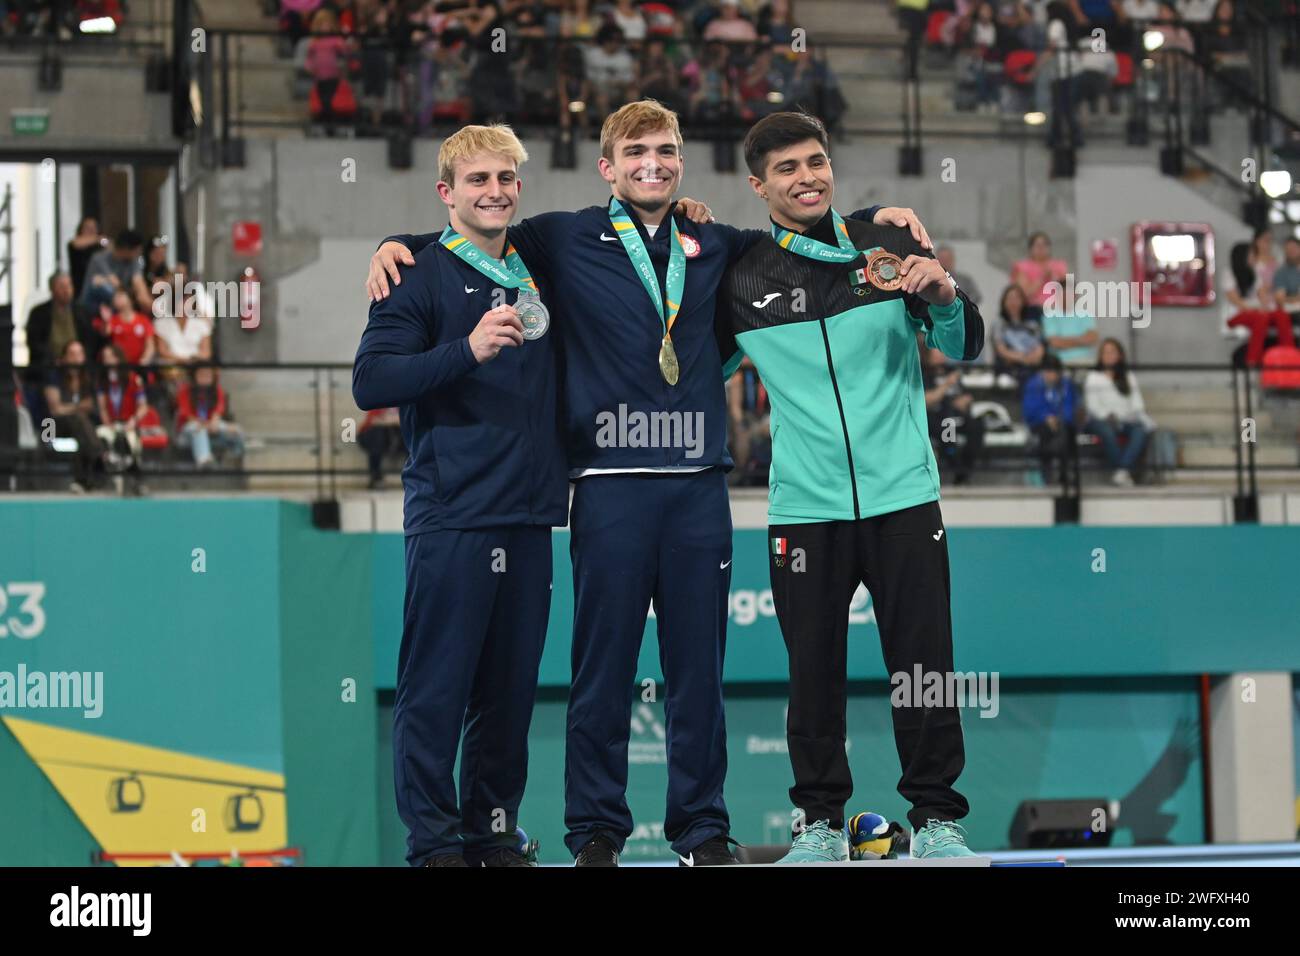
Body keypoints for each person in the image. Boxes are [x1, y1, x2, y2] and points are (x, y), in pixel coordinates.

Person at [366, 100, 933, 867]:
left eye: (665, 150)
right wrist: (395, 243)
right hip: (605, 485)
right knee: (600, 676)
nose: (653, 163)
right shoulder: (558, 238)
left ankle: (700, 831)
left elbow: (801, 238)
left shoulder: (715, 243)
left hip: (697, 486)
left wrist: (875, 221)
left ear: (681, 162)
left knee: (696, 675)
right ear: (607, 167)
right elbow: (469, 238)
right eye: (636, 152)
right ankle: (594, 833)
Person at [715, 111, 983, 862]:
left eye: (816, 161)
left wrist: (944, 296)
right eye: (788, 169)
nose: (806, 178)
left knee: (924, 667)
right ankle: (821, 826)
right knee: (813, 672)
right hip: (805, 506)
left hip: (903, 496)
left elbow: (964, 346)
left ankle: (936, 820)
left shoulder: (889, 244)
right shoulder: (742, 278)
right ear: (758, 185)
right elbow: (693, 372)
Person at [1084, 337, 1152, 486]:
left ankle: (1121, 471)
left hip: (1126, 419)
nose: (1108, 355)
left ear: (1120, 355)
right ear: (1100, 356)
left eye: (1112, 352)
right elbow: (1092, 406)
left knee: (1140, 431)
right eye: (1105, 352)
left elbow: (1137, 404)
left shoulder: (1128, 377)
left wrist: (1131, 416)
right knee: (1107, 430)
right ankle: (1123, 471)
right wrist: (1108, 416)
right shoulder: (1093, 377)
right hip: (1101, 420)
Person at [42, 340, 105, 493]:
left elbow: (93, 406)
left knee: (82, 430)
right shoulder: (54, 377)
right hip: (49, 426)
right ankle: (99, 456)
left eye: (79, 354)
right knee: (79, 419)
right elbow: (55, 409)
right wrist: (78, 407)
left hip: (81, 428)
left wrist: (71, 408)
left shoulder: (88, 379)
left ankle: (81, 481)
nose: (76, 358)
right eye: (72, 354)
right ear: (63, 358)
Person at [923, 341, 985, 484]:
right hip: (937, 417)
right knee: (948, 429)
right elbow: (927, 400)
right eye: (937, 355)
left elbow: (964, 396)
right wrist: (946, 385)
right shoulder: (924, 375)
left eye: (942, 354)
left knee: (976, 426)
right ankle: (956, 469)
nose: (941, 358)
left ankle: (967, 467)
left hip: (957, 415)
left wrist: (964, 401)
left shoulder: (951, 372)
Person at [1223, 241, 1293, 367]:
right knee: (1262, 317)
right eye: (1251, 254)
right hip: (1237, 315)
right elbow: (1237, 302)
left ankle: (1289, 358)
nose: (1253, 257)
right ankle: (1252, 361)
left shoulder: (1255, 273)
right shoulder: (1229, 274)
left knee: (1281, 315)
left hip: (1258, 312)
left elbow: (1262, 296)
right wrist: (1259, 307)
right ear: (1242, 256)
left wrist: (1266, 304)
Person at [93, 343, 149, 493]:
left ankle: (137, 481)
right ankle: (102, 477)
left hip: (129, 422)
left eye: (111, 357)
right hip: (111, 423)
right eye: (105, 357)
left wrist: (133, 421)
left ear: (119, 358)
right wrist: (108, 423)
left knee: (132, 441)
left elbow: (143, 406)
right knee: (101, 436)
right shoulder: (101, 382)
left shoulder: (133, 379)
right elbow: (102, 407)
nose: (108, 360)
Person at [1022, 352, 1078, 486]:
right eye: (1047, 371)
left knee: (1067, 431)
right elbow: (1029, 409)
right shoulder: (1033, 384)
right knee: (1044, 433)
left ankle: (1065, 474)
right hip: (1039, 423)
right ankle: (1047, 474)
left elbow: (1070, 405)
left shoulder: (1067, 385)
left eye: (1053, 372)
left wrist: (1058, 419)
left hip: (1063, 422)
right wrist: (1045, 417)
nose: (1050, 375)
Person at [175, 364, 244, 468]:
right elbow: (188, 416)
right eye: (201, 375)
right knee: (197, 428)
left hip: (211, 425)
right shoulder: (184, 391)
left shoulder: (218, 391)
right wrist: (208, 426)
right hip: (188, 429)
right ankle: (204, 460)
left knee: (236, 429)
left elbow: (218, 412)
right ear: (194, 376)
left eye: (208, 376)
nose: (205, 379)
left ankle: (236, 458)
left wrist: (216, 424)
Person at [78, 229, 150, 312]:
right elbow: (115, 283)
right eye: (137, 251)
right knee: (108, 289)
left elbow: (138, 283)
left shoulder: (133, 261)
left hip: (114, 306)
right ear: (126, 249)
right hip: (91, 306)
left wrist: (146, 300)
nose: (139, 254)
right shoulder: (99, 259)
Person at [992, 284, 1045, 383]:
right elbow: (1001, 350)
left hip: (1032, 367)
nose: (1013, 302)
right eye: (1010, 298)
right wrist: (1023, 358)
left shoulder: (1032, 324)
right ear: (1003, 302)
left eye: (1017, 298)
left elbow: (1039, 348)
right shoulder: (999, 324)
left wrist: (1034, 358)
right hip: (1009, 369)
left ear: (1023, 301)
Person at [1010, 231, 1068, 308]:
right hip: (1033, 310)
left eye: (1044, 245)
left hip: (1057, 311)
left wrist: (1054, 277)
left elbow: (1067, 292)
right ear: (1030, 248)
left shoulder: (1059, 266)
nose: (1041, 248)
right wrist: (1042, 278)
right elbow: (1023, 294)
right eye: (1038, 245)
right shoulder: (1022, 267)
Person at [358, 406, 404, 488]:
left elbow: (405, 420)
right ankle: (376, 477)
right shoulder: (380, 401)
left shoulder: (404, 404)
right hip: (371, 435)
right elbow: (374, 420)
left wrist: (388, 419)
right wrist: (395, 420)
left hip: (393, 436)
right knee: (377, 434)